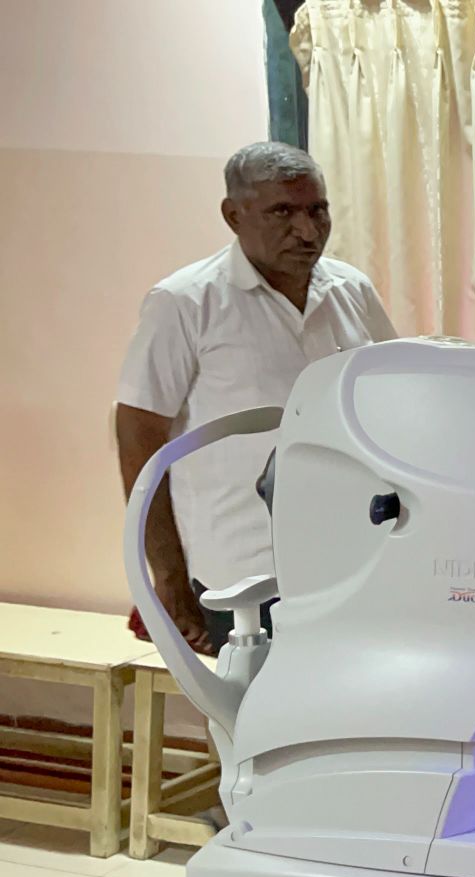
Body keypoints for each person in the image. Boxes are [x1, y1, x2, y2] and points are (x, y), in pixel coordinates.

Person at [117, 142, 396, 654]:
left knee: (347, 724)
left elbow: (391, 403)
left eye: (318, 210)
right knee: (245, 724)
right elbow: (140, 438)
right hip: (241, 575)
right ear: (233, 215)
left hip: (355, 558)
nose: (308, 230)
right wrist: (168, 576)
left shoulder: (351, 290)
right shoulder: (184, 304)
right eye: (282, 212)